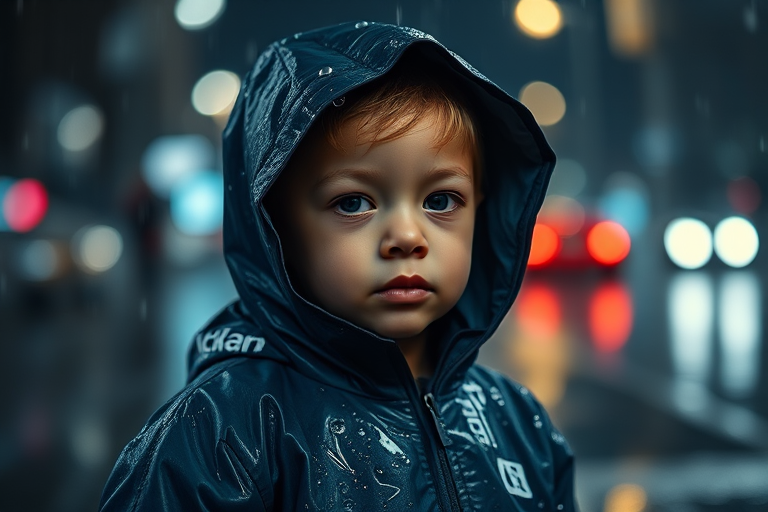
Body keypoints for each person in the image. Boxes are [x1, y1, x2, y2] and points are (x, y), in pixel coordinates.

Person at [99, 21, 577, 511]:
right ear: (277, 229)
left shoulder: (517, 422)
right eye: (353, 204)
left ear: (481, 207)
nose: (407, 237)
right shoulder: (224, 433)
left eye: (440, 200)